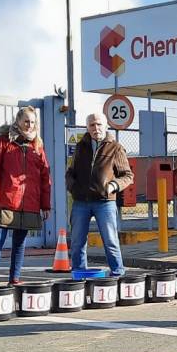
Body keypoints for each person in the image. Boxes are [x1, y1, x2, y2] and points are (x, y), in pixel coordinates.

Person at [0, 107, 51, 286]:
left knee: (19, 243)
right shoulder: (2, 142)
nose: (29, 125)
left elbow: (45, 177)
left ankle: (14, 280)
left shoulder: (37, 146)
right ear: (18, 121)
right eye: (26, 121)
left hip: (29, 203)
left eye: (33, 122)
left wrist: (45, 205)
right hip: (5, 200)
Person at [67, 112, 132, 277]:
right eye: (92, 125)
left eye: (99, 124)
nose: (96, 128)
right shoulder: (81, 146)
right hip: (81, 202)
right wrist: (73, 187)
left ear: (106, 126)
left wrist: (113, 186)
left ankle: (117, 273)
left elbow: (127, 176)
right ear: (87, 127)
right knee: (77, 242)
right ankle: (79, 274)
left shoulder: (116, 148)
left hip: (105, 202)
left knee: (110, 241)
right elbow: (70, 172)